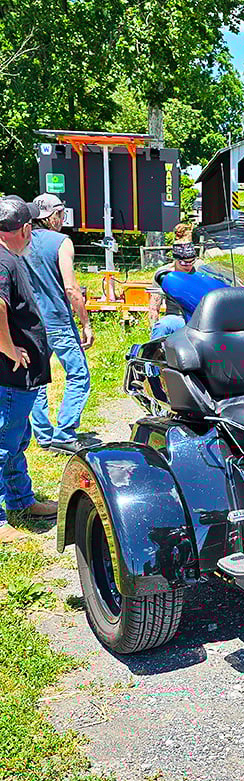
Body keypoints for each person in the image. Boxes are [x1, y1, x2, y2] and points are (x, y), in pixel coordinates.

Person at [0, 196, 57, 542]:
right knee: (3, 444)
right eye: (31, 227)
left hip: (21, 376)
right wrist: (7, 347)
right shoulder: (3, 261)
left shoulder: (8, 257)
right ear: (23, 229)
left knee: (17, 440)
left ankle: (21, 500)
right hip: (11, 375)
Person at [25, 193, 94, 454]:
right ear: (54, 216)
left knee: (38, 379)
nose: (64, 218)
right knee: (79, 375)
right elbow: (71, 289)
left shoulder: (23, 239)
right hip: (58, 321)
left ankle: (43, 435)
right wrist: (85, 323)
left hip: (32, 323)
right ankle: (64, 433)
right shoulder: (62, 242)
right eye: (62, 213)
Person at [148, 240, 203, 340]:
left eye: (192, 261)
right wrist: (153, 326)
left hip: (200, 317)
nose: (189, 266)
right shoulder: (163, 275)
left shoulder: (200, 270)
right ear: (175, 260)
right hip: (177, 317)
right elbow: (154, 307)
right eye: (183, 263)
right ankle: (155, 353)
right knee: (163, 326)